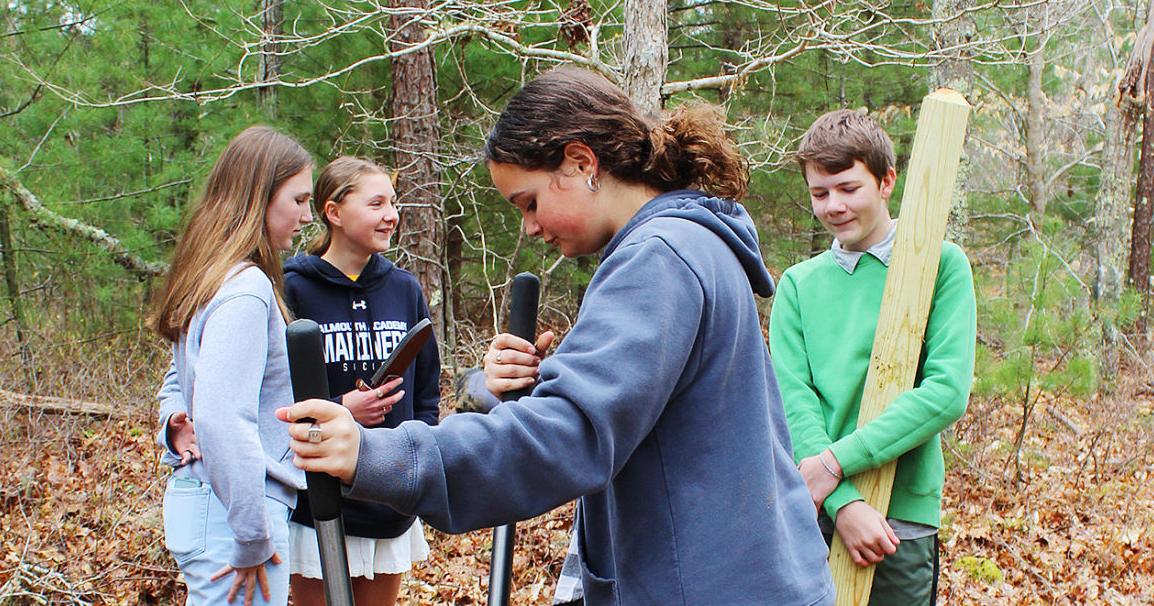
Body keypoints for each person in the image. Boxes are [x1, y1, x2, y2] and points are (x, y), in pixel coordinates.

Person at [279, 66, 833, 605]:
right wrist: (530, 383)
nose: (530, 227)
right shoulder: (686, 244)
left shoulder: (657, 259)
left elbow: (572, 433)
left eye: (530, 202)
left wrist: (376, 454)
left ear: (580, 162)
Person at [768, 109, 976, 605]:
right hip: (816, 509)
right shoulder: (798, 285)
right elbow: (793, 405)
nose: (833, 206)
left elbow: (945, 393)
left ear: (886, 181)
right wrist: (841, 502)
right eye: (820, 193)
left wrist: (837, 463)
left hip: (899, 520)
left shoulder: (941, 264)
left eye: (848, 188)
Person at [153, 125, 313, 605]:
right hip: (233, 514)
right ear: (259, 197)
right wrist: (250, 537)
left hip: (207, 504)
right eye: (298, 199)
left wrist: (173, 423)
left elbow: (182, 381)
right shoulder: (245, 289)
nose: (306, 216)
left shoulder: (211, 274)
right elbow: (224, 418)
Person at [282, 157, 440, 605]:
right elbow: (275, 396)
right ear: (334, 212)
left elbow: (427, 386)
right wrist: (341, 409)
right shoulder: (294, 289)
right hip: (319, 502)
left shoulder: (404, 289)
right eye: (376, 203)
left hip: (389, 497)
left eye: (392, 202)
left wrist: (417, 456)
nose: (391, 214)